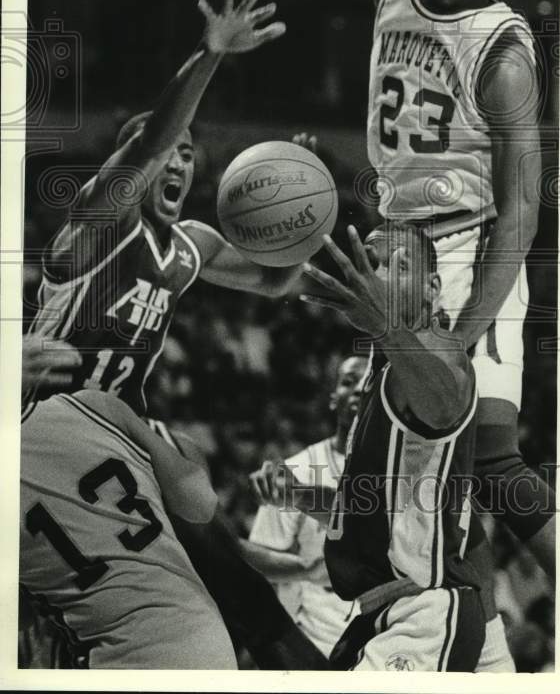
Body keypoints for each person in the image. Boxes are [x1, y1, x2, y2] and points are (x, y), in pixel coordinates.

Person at [218, 0, 554, 581]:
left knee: (491, 457)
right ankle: (441, 620)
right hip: (396, 243)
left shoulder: (503, 52)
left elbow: (521, 206)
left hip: (474, 240)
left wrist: (470, 329)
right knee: (413, 461)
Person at [27, 0, 301, 413]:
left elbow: (273, 280)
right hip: (43, 417)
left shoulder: (193, 245)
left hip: (115, 429)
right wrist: (210, 55)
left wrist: (308, 218)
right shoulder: (102, 218)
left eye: (187, 155)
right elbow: (153, 143)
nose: (175, 163)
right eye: (168, 155)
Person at [253, 222, 485, 671]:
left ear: (431, 288)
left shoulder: (441, 351)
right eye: (372, 263)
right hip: (375, 613)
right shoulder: (381, 372)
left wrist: (382, 326)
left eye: (396, 266)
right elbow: (367, 514)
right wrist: (298, 494)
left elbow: (444, 404)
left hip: (426, 615)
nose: (375, 275)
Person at [20, 388, 328, 670]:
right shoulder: (100, 412)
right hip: (202, 636)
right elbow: (216, 531)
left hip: (111, 647)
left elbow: (224, 550)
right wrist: (302, 568)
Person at [249, 355, 368, 657]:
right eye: (347, 382)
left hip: (385, 635)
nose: (356, 391)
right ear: (332, 398)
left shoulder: (396, 474)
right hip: (317, 635)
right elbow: (259, 559)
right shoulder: (298, 470)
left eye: (367, 384)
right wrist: (308, 570)